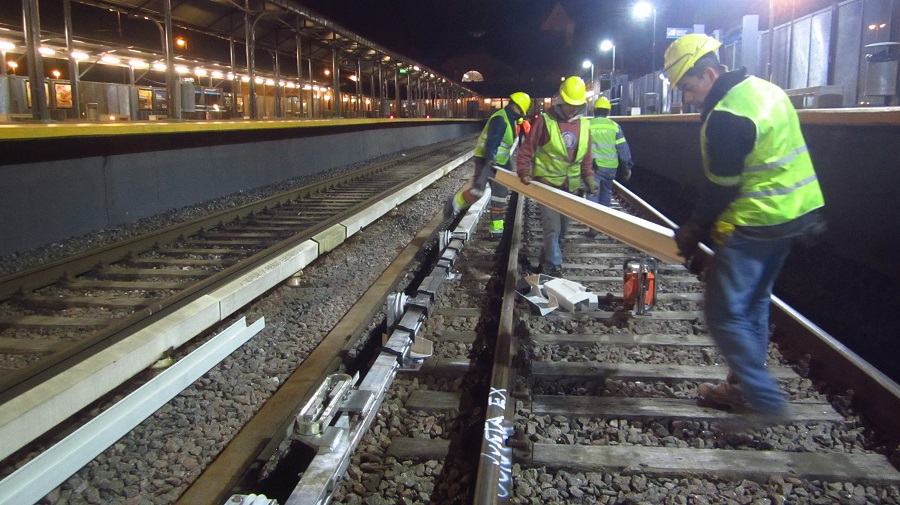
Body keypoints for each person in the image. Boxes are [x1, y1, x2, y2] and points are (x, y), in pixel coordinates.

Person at [662, 34, 826, 424]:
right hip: (794, 216)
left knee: (723, 314)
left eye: (688, 87)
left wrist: (695, 228)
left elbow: (722, 186)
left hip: (755, 222)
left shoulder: (727, 115)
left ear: (710, 72)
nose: (687, 98)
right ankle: (739, 391)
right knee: (753, 306)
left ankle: (764, 399)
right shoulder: (765, 90)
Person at [516, 76, 598, 277]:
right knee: (552, 229)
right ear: (560, 99)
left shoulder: (584, 125)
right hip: (548, 185)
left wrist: (588, 177)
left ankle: (545, 263)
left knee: (563, 231)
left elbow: (586, 156)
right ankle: (554, 267)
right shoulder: (546, 121)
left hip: (571, 187)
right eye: (569, 104)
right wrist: (523, 171)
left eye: (577, 105)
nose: (573, 109)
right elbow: (528, 148)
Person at [445, 91, 531, 240]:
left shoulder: (509, 120)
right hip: (487, 161)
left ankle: (496, 228)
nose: (520, 114)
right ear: (517, 107)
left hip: (500, 163)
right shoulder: (500, 118)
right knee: (478, 191)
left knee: (500, 194)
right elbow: (493, 140)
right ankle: (455, 203)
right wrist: (490, 159)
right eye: (521, 111)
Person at [585, 96, 635, 237]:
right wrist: (627, 167)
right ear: (608, 111)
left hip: (594, 167)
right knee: (605, 195)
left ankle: (593, 226)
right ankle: (603, 225)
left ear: (594, 110)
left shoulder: (588, 124)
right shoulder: (614, 126)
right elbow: (623, 148)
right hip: (611, 168)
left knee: (593, 194)